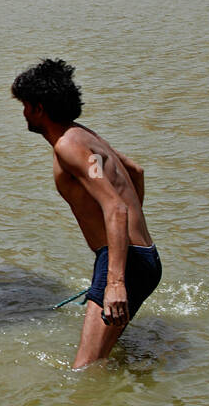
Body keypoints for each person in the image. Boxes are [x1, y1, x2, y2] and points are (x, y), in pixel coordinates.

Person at [11, 59, 162, 369]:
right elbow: (136, 171)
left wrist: (116, 282)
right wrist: (133, 236)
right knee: (102, 359)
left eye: (24, 105)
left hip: (126, 262)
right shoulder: (84, 135)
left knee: (84, 370)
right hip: (144, 256)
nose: (22, 113)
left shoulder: (68, 146)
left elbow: (115, 207)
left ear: (39, 108)